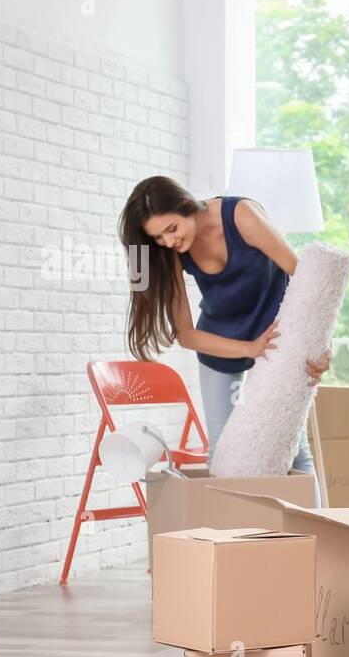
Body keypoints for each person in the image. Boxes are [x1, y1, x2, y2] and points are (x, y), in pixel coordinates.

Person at [118, 176, 330, 496]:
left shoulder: (241, 216)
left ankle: (319, 536)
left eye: (172, 229)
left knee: (293, 449)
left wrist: (322, 346)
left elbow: (303, 279)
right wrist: (248, 347)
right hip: (223, 340)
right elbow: (187, 336)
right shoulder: (172, 252)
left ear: (187, 205)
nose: (168, 242)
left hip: (275, 338)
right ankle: (226, 543)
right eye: (158, 237)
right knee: (222, 450)